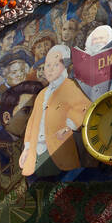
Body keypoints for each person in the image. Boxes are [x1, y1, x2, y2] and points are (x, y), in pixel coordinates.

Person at [20, 43, 94, 177]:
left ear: (64, 66)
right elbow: (32, 122)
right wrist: (27, 147)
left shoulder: (70, 87)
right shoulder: (42, 94)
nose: (50, 69)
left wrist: (69, 127)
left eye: (55, 65)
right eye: (47, 65)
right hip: (36, 153)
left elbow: (85, 109)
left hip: (58, 151)